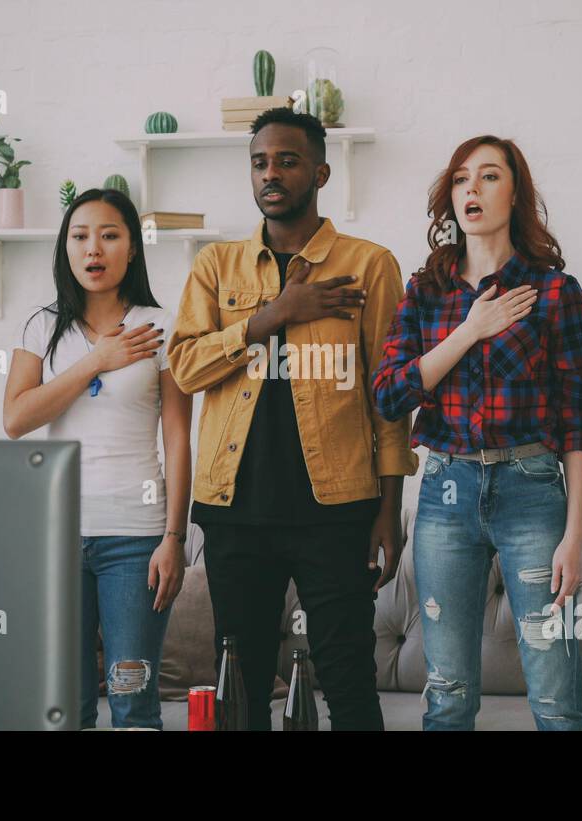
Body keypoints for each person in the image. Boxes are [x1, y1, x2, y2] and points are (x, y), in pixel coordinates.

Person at [167, 108, 416, 730]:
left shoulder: (369, 264)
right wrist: (275, 314)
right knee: (242, 684)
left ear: (321, 172)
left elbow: (387, 397)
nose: (270, 174)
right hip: (234, 510)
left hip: (336, 508)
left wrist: (389, 507)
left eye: (287, 160)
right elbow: (186, 368)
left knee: (348, 678)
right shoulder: (216, 266)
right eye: (259, 162)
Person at [373, 136, 582, 731]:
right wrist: (470, 330)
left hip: (532, 491)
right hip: (446, 493)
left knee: (554, 695)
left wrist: (574, 534)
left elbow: (578, 421)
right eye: (461, 178)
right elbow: (390, 395)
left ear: (514, 191)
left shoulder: (555, 292)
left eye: (489, 176)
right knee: (446, 695)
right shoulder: (427, 290)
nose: (472, 188)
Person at [4, 188, 191, 729]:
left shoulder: (160, 326)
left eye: (110, 235)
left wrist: (174, 537)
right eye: (80, 236)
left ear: (132, 248)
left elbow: (178, 438)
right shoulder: (40, 326)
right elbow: (16, 418)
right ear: (65, 248)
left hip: (135, 538)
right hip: (55, 535)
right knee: (65, 707)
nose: (94, 249)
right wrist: (97, 360)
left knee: (134, 704)